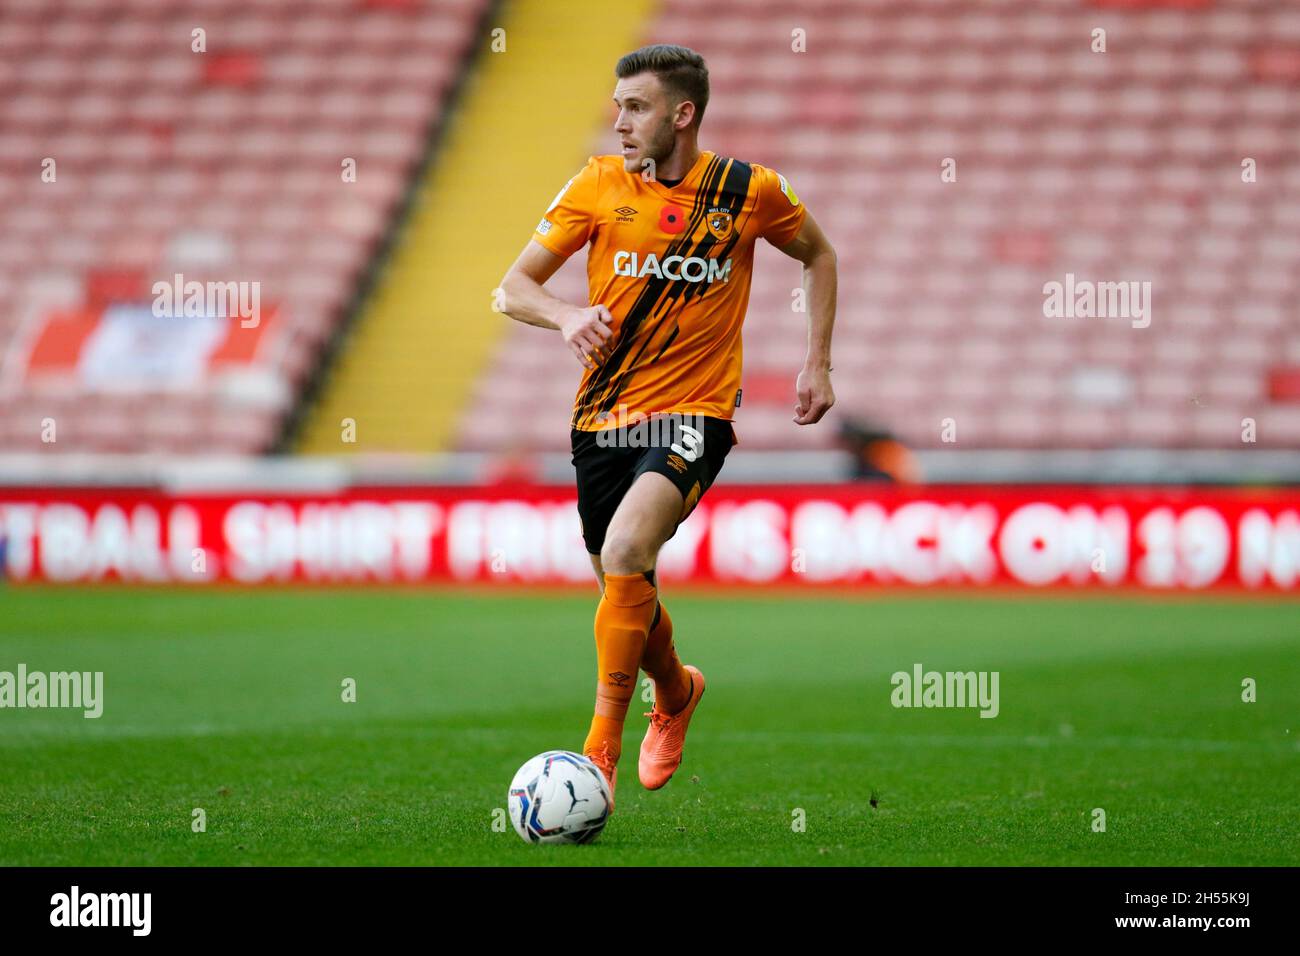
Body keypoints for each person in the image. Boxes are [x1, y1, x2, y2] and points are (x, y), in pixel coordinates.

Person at [497, 44, 837, 813]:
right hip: (601, 418)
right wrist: (565, 315)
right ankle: (678, 693)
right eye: (617, 105)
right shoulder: (596, 185)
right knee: (626, 587)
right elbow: (513, 287)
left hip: (697, 414)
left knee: (625, 551)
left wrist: (817, 362)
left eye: (636, 107)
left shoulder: (748, 191)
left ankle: (598, 755)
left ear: (682, 114)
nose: (619, 121)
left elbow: (818, 255)